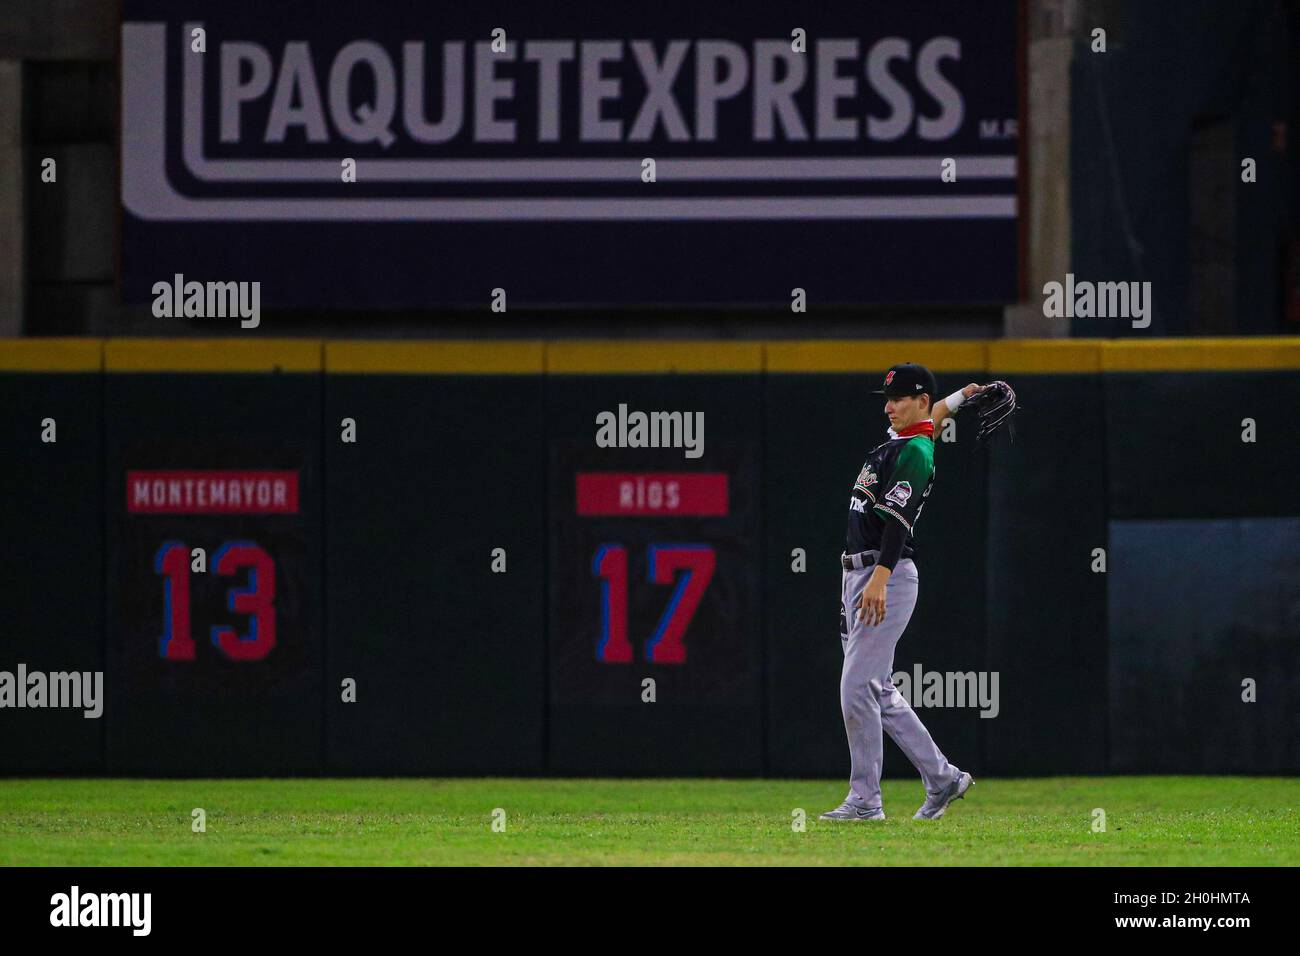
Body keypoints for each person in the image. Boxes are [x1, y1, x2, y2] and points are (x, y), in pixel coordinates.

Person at [819, 363, 986, 822]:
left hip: (884, 574)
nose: (888, 406)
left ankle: (865, 801)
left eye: (899, 398)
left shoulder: (916, 451)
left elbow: (897, 522)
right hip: (858, 573)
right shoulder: (906, 438)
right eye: (887, 397)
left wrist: (879, 579)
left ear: (920, 403)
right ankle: (943, 778)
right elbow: (935, 416)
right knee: (878, 691)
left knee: (855, 686)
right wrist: (963, 397)